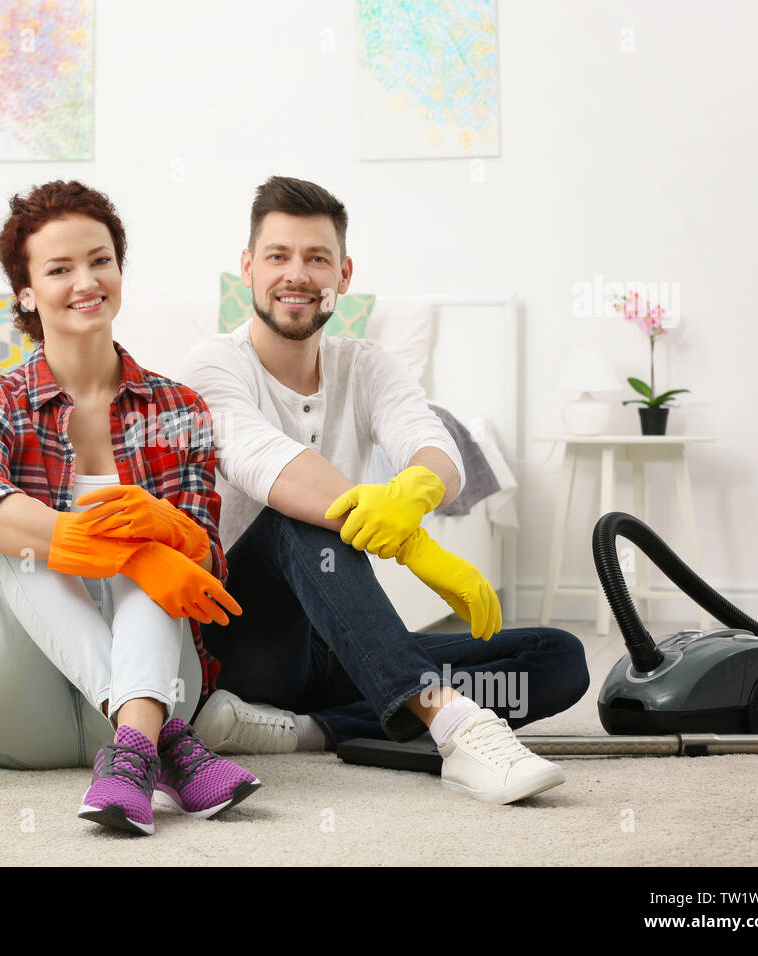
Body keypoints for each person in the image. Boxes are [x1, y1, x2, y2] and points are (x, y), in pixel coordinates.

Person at [177, 175, 591, 805]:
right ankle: (455, 725)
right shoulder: (212, 364)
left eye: (317, 258)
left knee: (557, 657)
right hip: (245, 638)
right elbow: (270, 466)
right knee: (299, 517)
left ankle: (308, 732)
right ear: (247, 269)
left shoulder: (366, 365)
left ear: (343, 274)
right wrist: (415, 548)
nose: (298, 274)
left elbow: (435, 445)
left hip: (342, 650)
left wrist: (417, 491)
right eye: (278, 256)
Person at [0, 180, 256, 835]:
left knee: (162, 549)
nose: (85, 280)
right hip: (13, 707)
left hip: (157, 684)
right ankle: (165, 747)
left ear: (119, 269)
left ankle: (136, 748)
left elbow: (210, 567)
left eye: (100, 260)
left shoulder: (178, 408)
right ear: (26, 292)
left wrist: (174, 536)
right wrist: (134, 548)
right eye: (59, 269)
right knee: (8, 546)